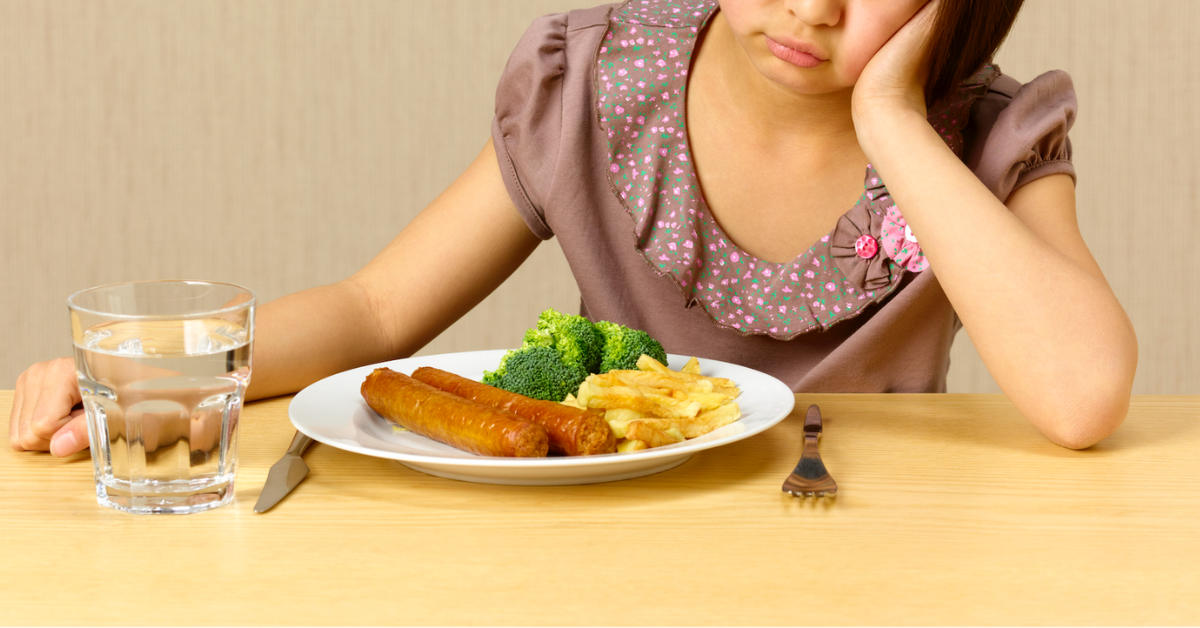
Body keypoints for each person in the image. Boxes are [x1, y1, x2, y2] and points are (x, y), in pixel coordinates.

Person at [9, 0, 1137, 455]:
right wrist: (160, 362)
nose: (815, 7)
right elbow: (375, 310)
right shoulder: (602, 78)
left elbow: (1082, 394)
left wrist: (892, 118)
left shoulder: (977, 138)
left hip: (854, 556)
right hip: (608, 558)